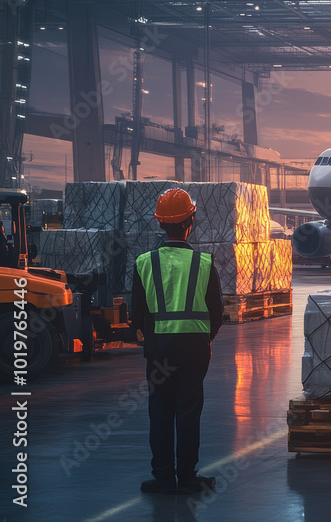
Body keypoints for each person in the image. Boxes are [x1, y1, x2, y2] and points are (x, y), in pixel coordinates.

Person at [131, 188, 224, 495]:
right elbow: (217, 312)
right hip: (194, 348)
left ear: (160, 223)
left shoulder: (144, 262)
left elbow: (136, 314)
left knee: (160, 411)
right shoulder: (204, 262)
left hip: (160, 348)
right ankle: (187, 477)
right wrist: (207, 338)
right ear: (190, 222)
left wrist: (149, 338)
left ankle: (162, 478)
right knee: (188, 411)